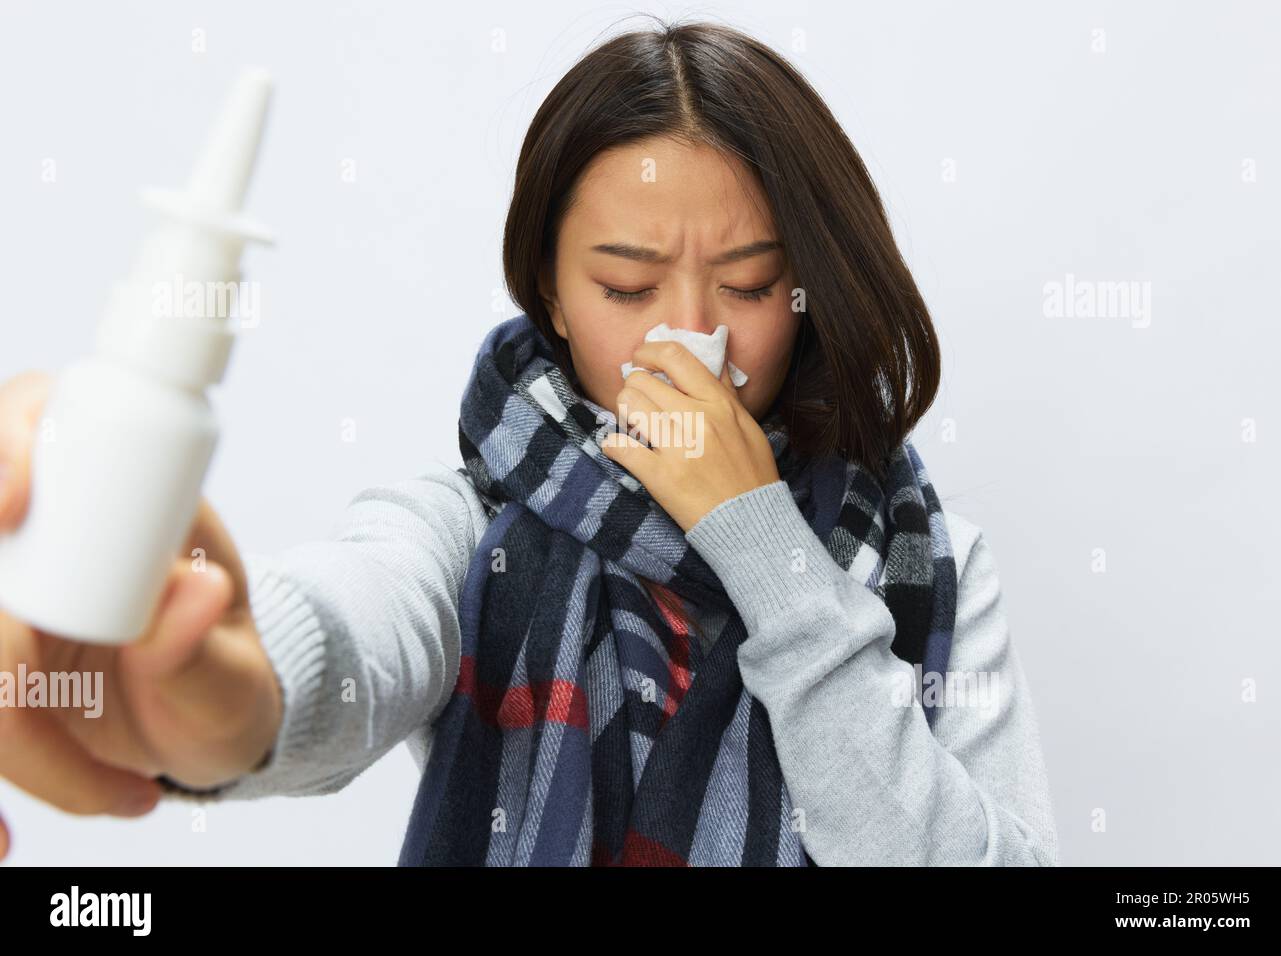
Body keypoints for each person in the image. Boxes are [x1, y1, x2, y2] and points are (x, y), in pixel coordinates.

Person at [0, 18, 1058, 866]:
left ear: (807, 288)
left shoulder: (935, 562)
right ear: (549, 289)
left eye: (745, 284)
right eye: (626, 286)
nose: (688, 335)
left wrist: (766, 548)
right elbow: (350, 630)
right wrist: (219, 685)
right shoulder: (475, 527)